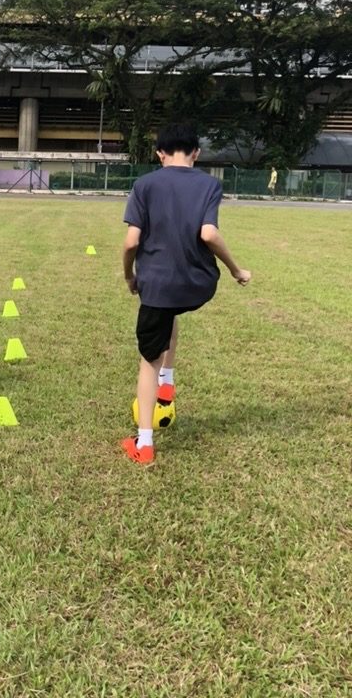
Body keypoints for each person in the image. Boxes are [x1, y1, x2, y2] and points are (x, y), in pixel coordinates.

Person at [121, 122, 251, 465]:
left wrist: (129, 276)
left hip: (157, 285)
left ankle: (144, 443)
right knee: (170, 311)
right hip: (197, 284)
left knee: (147, 359)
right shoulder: (210, 184)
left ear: (159, 153)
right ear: (196, 153)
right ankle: (168, 383)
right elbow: (209, 233)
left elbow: (131, 241)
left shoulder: (145, 184)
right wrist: (236, 271)